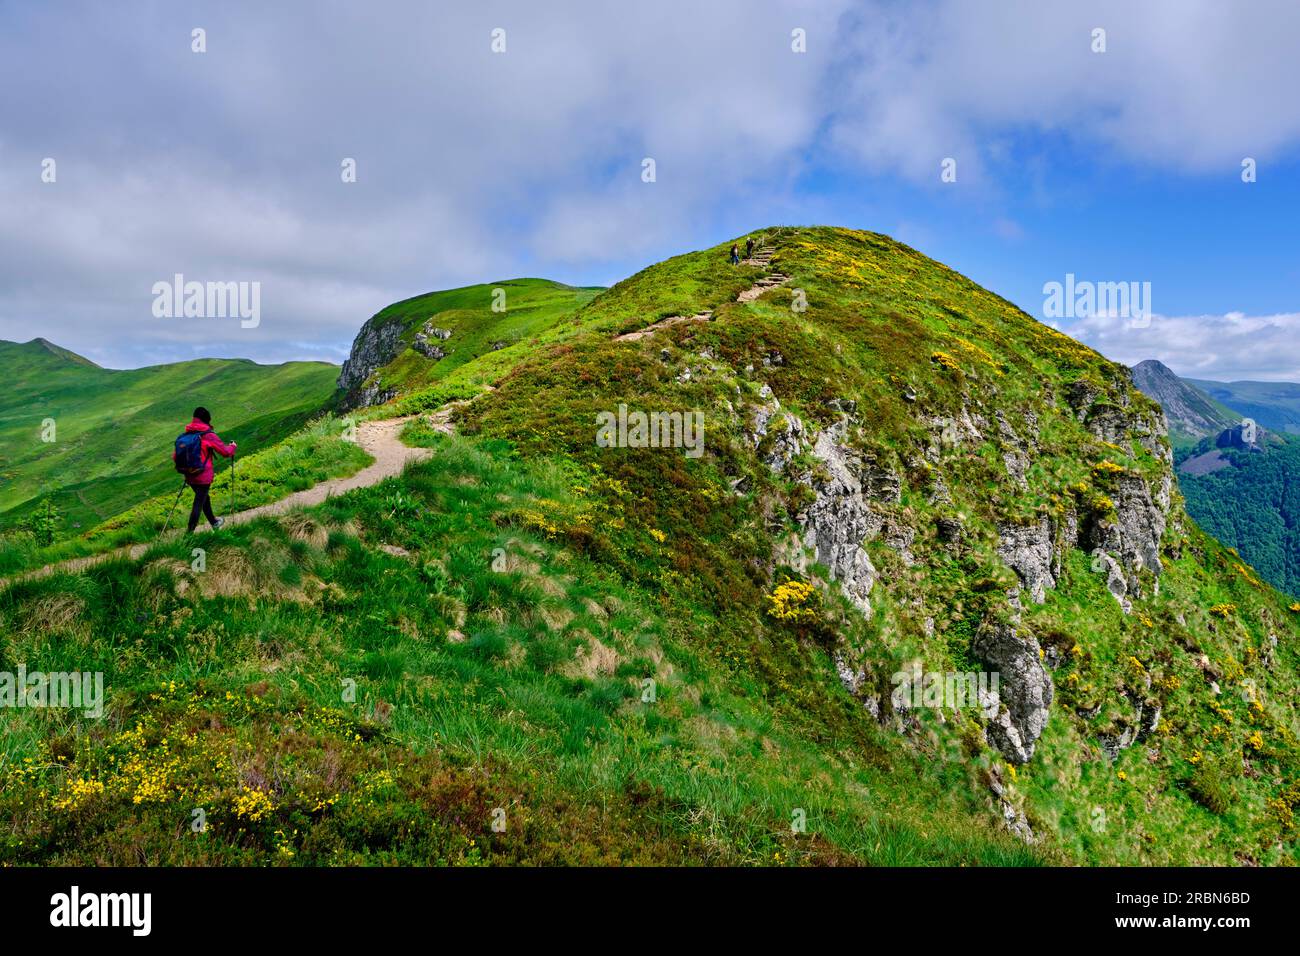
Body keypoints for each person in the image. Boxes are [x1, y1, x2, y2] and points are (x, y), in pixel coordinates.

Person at [173, 406, 237, 533]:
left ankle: (214, 522)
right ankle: (189, 535)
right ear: (206, 419)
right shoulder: (208, 435)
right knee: (198, 503)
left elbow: (175, 456)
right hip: (203, 475)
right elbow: (224, 452)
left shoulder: (187, 434)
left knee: (203, 499)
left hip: (190, 474)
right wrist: (233, 447)